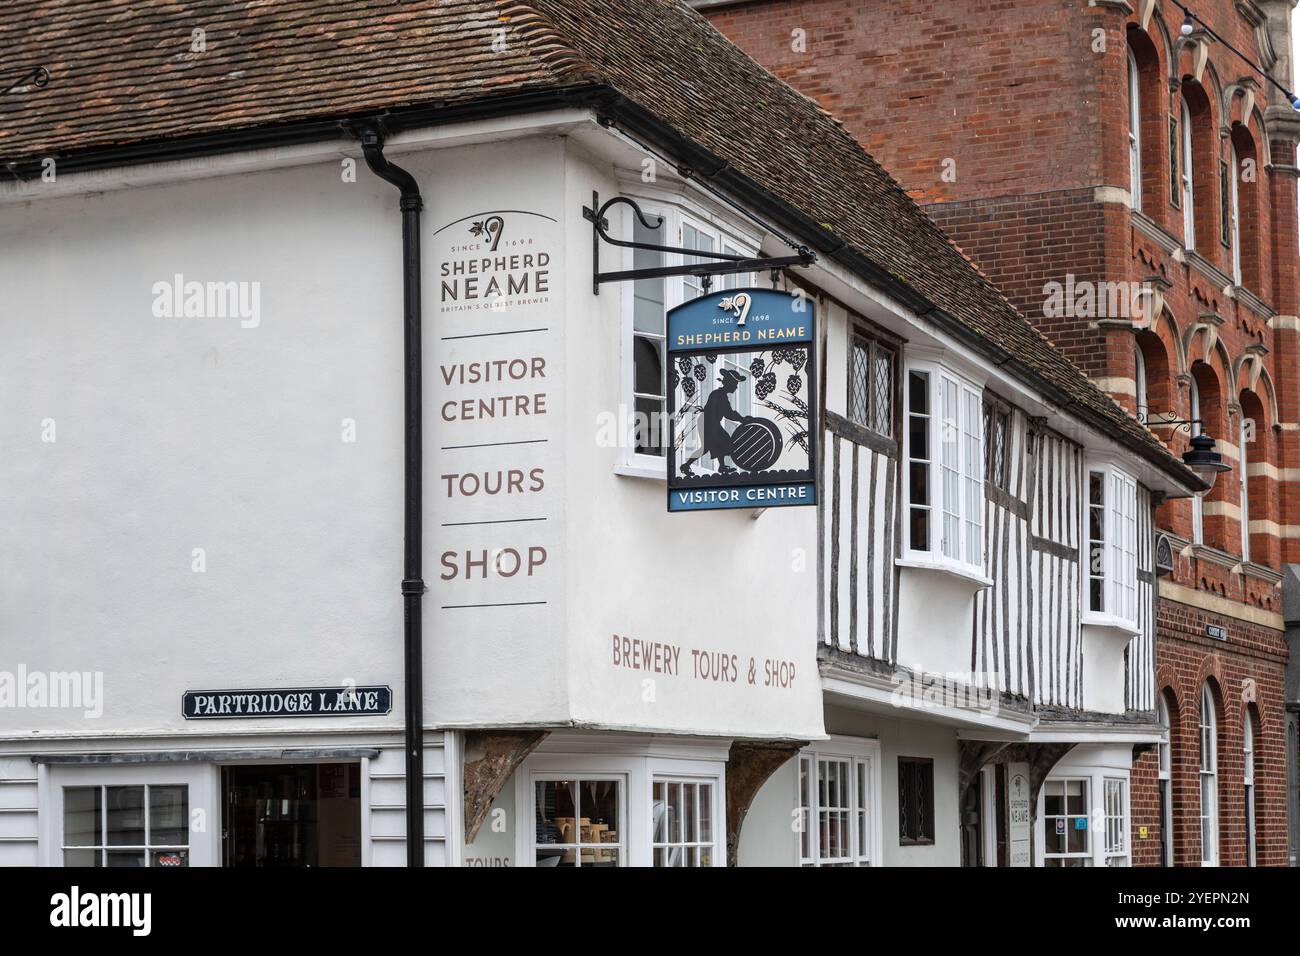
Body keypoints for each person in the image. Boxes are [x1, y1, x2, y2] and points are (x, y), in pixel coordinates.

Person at [681, 367, 746, 476]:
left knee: (718, 443)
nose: (736, 387)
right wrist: (742, 419)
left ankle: (721, 466)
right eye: (735, 384)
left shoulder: (721, 395)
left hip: (711, 422)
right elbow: (728, 413)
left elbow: (727, 412)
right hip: (708, 422)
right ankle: (686, 465)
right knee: (711, 446)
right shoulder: (719, 395)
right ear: (729, 383)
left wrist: (741, 419)